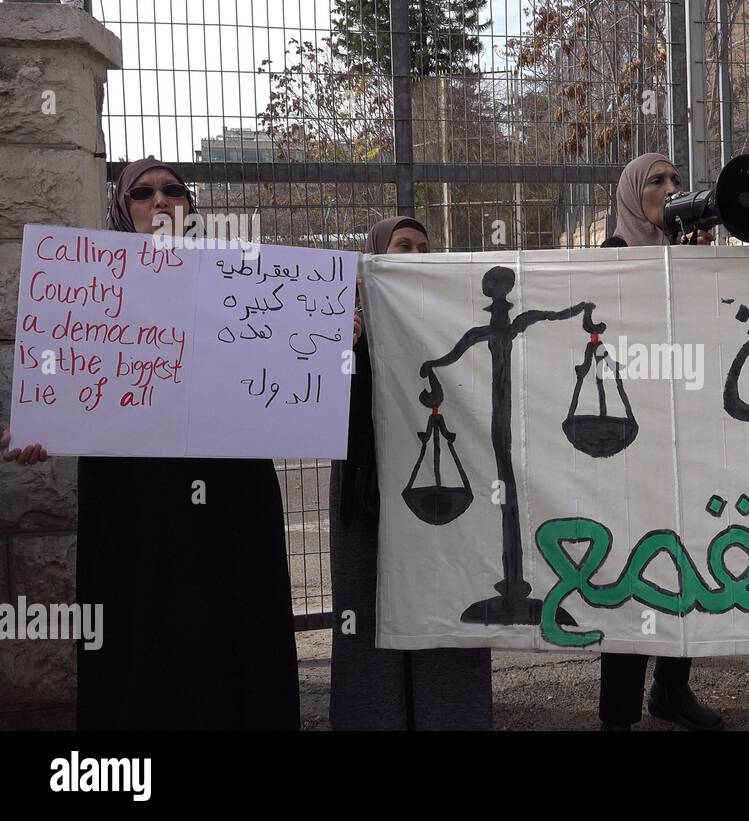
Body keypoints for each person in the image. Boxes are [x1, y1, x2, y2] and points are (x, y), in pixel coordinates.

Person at [3, 159, 300, 729]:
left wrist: (335, 331)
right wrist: (42, 421)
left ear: (190, 207)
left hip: (230, 495)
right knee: (144, 623)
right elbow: (67, 372)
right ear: (123, 206)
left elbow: (286, 356)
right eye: (142, 192)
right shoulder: (86, 287)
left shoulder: (241, 277)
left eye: (172, 191)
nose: (159, 201)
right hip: (134, 500)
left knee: (231, 615)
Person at [329, 216, 493, 730]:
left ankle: (450, 716)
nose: (417, 255)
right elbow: (322, 405)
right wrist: (345, 347)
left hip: (443, 492)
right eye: (403, 246)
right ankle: (373, 716)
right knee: (368, 609)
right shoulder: (343, 319)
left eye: (425, 246)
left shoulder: (454, 321)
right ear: (377, 254)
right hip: (367, 492)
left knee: (446, 596)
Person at [596, 152, 722, 731]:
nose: (671, 189)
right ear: (630, 194)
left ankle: (673, 686)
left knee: (686, 559)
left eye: (677, 179)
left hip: (687, 432)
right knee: (632, 566)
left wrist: (703, 271)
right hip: (627, 442)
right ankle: (618, 706)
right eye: (657, 181)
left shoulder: (697, 258)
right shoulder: (610, 261)